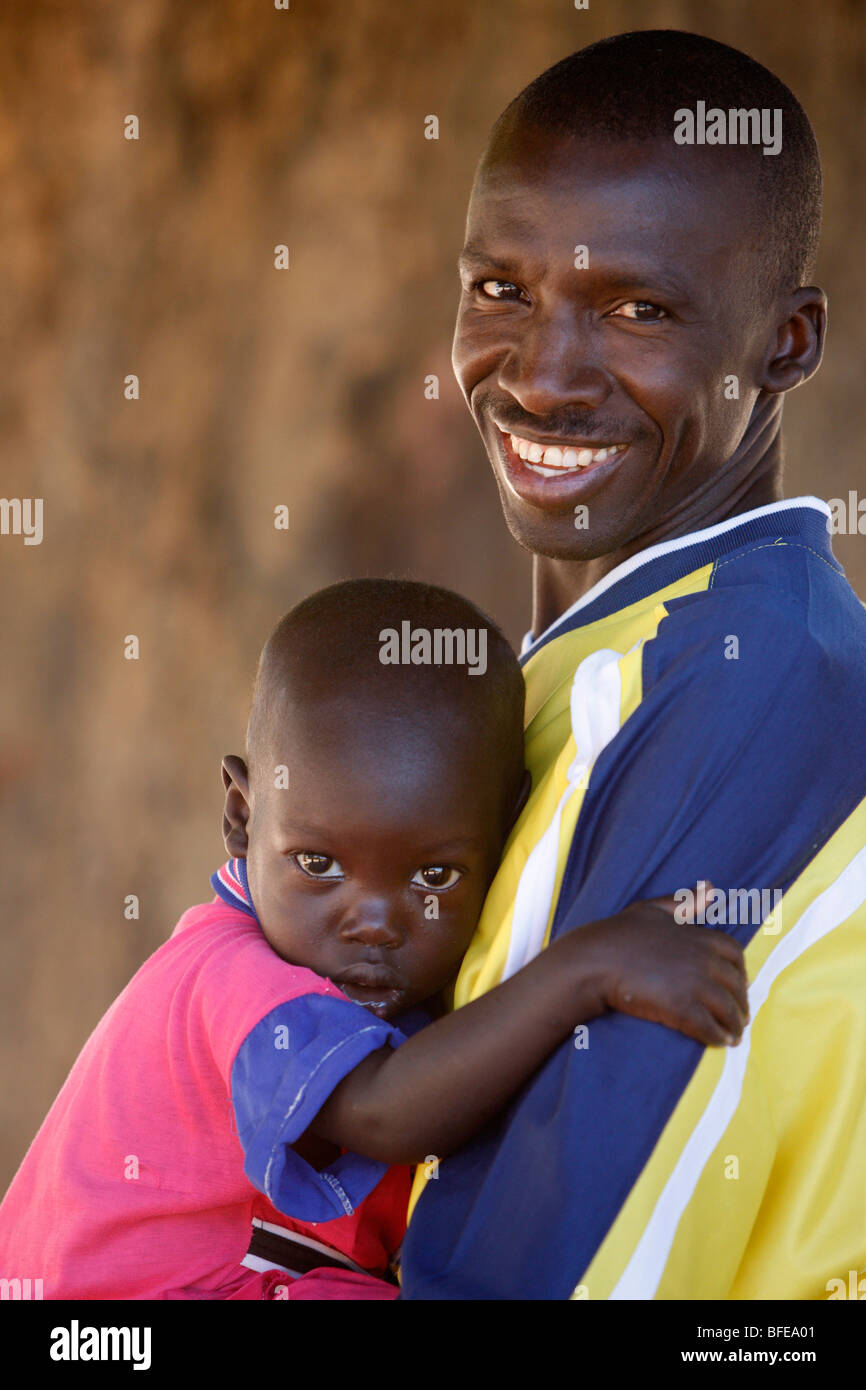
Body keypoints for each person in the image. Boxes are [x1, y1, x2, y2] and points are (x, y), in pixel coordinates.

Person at [400, 31, 866, 1300]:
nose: (540, 379)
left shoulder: (733, 681)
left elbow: (576, 1269)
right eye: (499, 289)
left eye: (636, 311)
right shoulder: (630, 658)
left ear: (787, 341)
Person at [0, 578, 747, 1300]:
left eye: (434, 876)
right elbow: (382, 1114)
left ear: (509, 830)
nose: (376, 922)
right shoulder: (227, 978)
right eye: (319, 865)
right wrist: (584, 970)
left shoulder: (390, 985)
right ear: (241, 815)